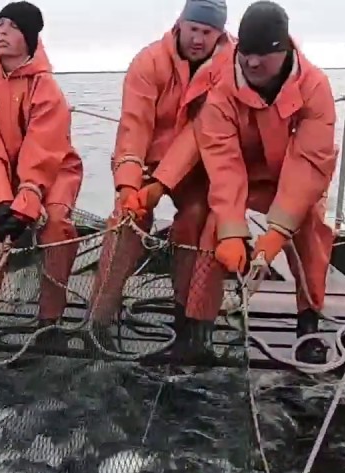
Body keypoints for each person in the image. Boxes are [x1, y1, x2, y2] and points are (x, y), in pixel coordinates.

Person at [195, 0, 339, 365]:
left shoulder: (316, 86)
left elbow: (309, 164)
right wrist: (231, 228)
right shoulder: (221, 84)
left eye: (263, 55)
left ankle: (309, 322)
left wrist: (277, 230)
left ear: (285, 50)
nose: (252, 63)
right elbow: (222, 160)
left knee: (310, 230)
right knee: (213, 227)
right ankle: (197, 327)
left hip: (293, 178)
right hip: (245, 175)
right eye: (246, 53)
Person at [89, 0, 234, 352]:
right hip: (147, 164)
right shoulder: (148, 61)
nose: (199, 38)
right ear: (180, 23)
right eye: (194, 28)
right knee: (126, 222)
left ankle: (190, 321)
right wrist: (128, 183)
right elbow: (134, 126)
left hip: (198, 166)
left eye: (207, 31)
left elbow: (203, 131)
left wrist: (163, 184)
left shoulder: (232, 67)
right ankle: (98, 320)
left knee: (196, 221)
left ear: (220, 33)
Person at [0, 1, 83, 335]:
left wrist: (27, 199)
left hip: (53, 172)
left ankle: (50, 321)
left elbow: (44, 148)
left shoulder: (48, 88)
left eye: (13, 26)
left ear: (29, 37)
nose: (2, 31)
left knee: (57, 229)